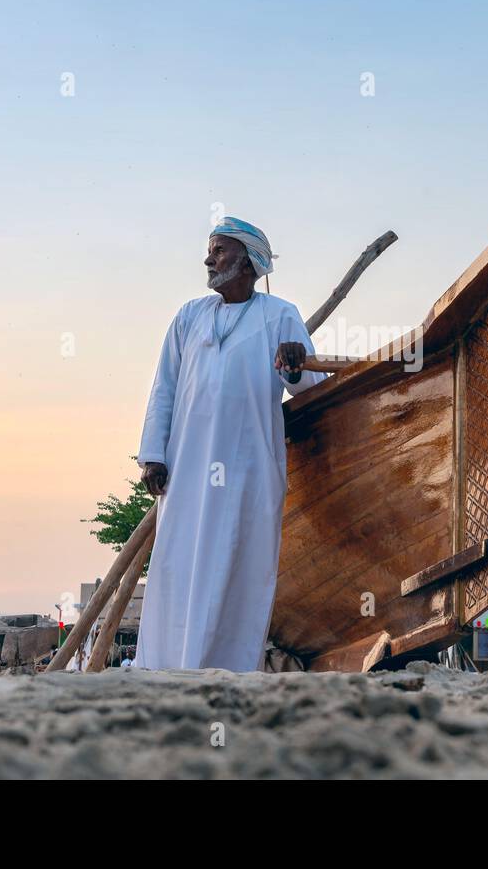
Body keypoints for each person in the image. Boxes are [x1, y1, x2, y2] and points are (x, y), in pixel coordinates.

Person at [133, 217, 325, 672]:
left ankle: (227, 670)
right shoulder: (189, 316)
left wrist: (296, 365)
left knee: (237, 563)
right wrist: (154, 456)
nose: (208, 258)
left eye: (217, 250)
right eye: (210, 250)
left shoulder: (280, 316)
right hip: (187, 468)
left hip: (248, 469)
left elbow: (311, 389)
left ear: (247, 262)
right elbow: (164, 388)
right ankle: (163, 665)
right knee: (177, 562)